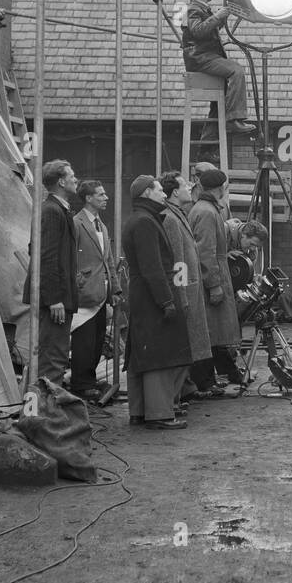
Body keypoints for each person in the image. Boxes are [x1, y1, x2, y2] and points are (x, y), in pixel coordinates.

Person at [121, 175, 192, 429]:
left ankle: (140, 411)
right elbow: (153, 268)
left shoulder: (141, 219)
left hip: (143, 294)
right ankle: (160, 414)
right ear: (146, 193)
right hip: (153, 296)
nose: (164, 194)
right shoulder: (146, 223)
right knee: (160, 354)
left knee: (142, 352)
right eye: (160, 190)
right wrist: (166, 301)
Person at [158, 171, 221, 400]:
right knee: (186, 344)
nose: (190, 187)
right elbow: (176, 260)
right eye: (185, 185)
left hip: (190, 288)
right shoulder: (171, 218)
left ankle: (185, 388)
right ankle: (177, 394)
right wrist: (182, 294)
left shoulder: (179, 214)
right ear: (175, 192)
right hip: (186, 290)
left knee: (191, 344)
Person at [23, 159, 79, 386]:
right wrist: (54, 298)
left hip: (58, 297)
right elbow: (45, 257)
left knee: (56, 354)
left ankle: (49, 411)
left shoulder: (57, 210)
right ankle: (47, 415)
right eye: (72, 176)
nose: (76, 180)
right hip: (53, 300)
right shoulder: (52, 211)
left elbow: (38, 249)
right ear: (61, 182)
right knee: (52, 357)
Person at [189, 167, 245, 386]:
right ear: (222, 188)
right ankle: (203, 382)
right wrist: (214, 285)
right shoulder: (207, 212)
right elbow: (206, 252)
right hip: (210, 280)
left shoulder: (205, 209)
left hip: (212, 275)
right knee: (210, 332)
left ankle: (209, 379)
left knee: (213, 333)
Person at [180, 0, 256, 135]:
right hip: (200, 58)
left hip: (203, 56)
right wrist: (218, 16)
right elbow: (198, 31)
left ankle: (207, 149)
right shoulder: (192, 9)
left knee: (218, 102)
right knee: (236, 70)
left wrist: (224, 16)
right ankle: (234, 119)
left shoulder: (202, 9)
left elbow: (208, 31)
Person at [70, 179, 116, 403]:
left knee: (97, 340)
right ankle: (81, 383)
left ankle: (88, 380)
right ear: (88, 198)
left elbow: (108, 261)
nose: (105, 198)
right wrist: (77, 281)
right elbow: (69, 257)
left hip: (100, 293)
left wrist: (114, 289)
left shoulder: (102, 225)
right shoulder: (76, 223)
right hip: (84, 294)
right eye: (100, 195)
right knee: (84, 341)